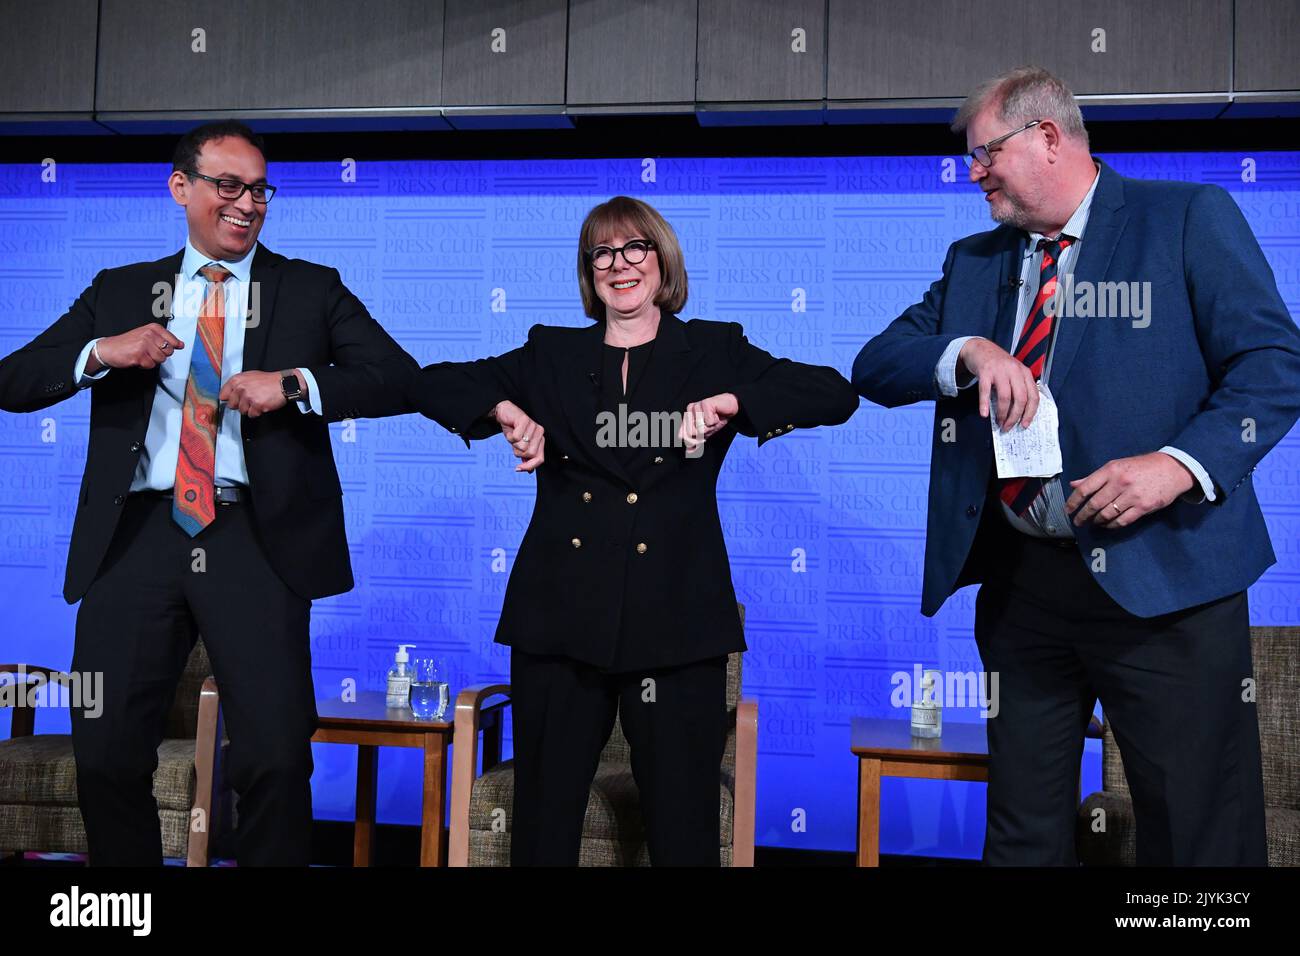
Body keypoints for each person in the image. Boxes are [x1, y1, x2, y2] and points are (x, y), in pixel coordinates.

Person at [852, 66, 1300, 865]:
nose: (973, 173)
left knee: (1196, 834)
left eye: (985, 153)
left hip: (1166, 582)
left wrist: (1177, 466)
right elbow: (876, 364)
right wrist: (970, 349)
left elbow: (1274, 365)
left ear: (1048, 137)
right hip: (1025, 591)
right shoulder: (973, 261)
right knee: (1021, 833)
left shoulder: (1186, 218)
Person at [0, 121, 417, 865]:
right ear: (181, 188)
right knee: (105, 755)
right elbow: (14, 380)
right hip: (135, 536)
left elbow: (397, 377)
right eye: (229, 185)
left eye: (259, 190)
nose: (247, 204)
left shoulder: (309, 288)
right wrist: (102, 352)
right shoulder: (121, 289)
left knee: (276, 757)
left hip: (253, 535)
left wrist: (294, 384)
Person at [408, 195, 858, 865]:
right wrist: (502, 407)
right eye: (603, 253)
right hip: (560, 619)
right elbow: (427, 384)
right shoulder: (550, 353)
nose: (620, 265)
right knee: (544, 824)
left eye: (634, 248)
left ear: (662, 259)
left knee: (683, 830)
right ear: (589, 272)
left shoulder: (714, 350)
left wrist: (735, 401)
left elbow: (835, 393)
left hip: (676, 621)